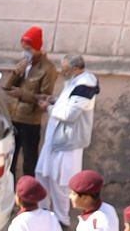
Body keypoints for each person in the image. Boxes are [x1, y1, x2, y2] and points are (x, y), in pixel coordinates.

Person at [0, 29, 68, 179]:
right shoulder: (24, 64)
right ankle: (11, 192)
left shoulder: (47, 68)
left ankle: (29, 194)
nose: (26, 52)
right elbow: (7, 88)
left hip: (30, 120)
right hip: (14, 117)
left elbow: (45, 97)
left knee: (29, 161)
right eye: (24, 49)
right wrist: (16, 73)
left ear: (37, 48)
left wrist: (23, 94)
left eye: (29, 49)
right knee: (10, 159)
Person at [36, 72, 98, 205]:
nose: (63, 72)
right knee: (43, 175)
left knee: (62, 184)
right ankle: (43, 212)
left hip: (68, 143)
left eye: (65, 68)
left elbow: (70, 114)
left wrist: (48, 107)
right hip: (54, 141)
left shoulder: (85, 85)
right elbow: (68, 103)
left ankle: (62, 220)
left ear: (74, 68)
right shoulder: (72, 83)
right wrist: (54, 101)